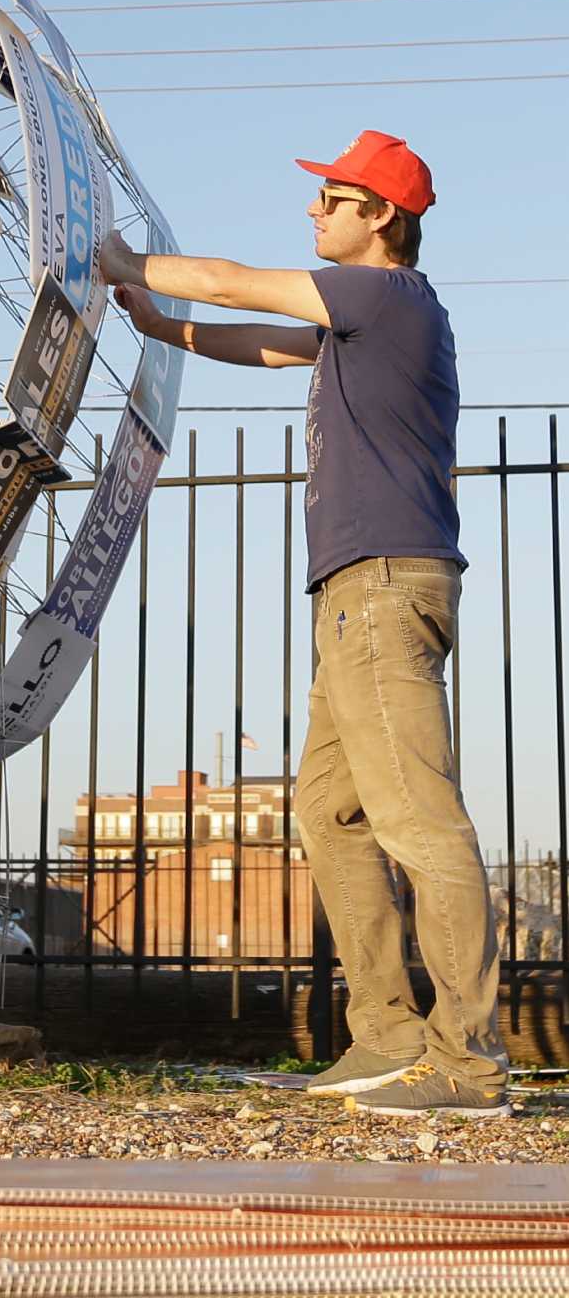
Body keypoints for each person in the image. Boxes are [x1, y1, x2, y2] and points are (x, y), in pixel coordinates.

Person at [102, 130, 506, 1117]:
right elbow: (255, 337)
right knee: (329, 809)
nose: (313, 210)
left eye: (331, 196)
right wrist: (159, 324)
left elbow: (238, 284)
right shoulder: (352, 326)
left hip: (380, 586)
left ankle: (469, 1063)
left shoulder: (385, 295)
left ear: (382, 217)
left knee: (417, 815)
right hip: (347, 594)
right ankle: (385, 1034)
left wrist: (118, 260)